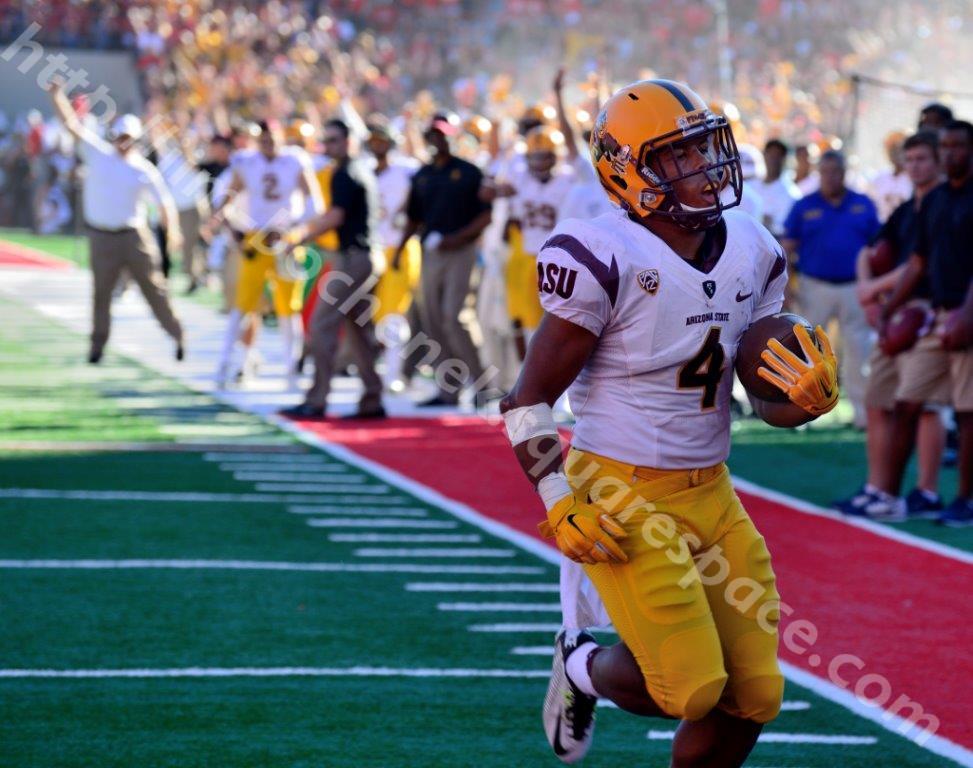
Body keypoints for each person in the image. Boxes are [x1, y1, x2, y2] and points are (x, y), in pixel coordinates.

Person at [500, 80, 839, 767]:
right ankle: (580, 662)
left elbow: (758, 396)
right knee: (688, 687)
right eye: (678, 156)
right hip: (620, 487)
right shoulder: (599, 253)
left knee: (754, 697)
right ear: (630, 172)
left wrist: (802, 399)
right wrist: (558, 498)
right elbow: (526, 398)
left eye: (705, 147)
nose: (704, 168)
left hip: (709, 486)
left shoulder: (752, 246)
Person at [835, 131, 945, 520]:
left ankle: (925, 491)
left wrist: (871, 292)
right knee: (877, 400)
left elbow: (917, 265)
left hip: (923, 311)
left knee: (924, 405)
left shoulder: (942, 205)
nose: (915, 165)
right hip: (894, 311)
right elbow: (871, 249)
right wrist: (869, 289)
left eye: (922, 159)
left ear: (938, 161)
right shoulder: (906, 208)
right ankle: (876, 487)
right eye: (909, 158)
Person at [48, 81, 185, 365]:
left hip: (133, 235)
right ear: (114, 136)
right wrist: (57, 96)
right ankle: (98, 345)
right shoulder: (98, 153)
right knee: (101, 293)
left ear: (135, 140)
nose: (124, 142)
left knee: (154, 289)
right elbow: (71, 124)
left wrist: (171, 230)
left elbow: (164, 202)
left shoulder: (141, 168)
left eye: (129, 138)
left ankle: (177, 333)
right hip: (102, 236)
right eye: (121, 136)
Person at [881, 120, 973, 526]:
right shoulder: (935, 201)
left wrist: (967, 314)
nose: (951, 153)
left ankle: (966, 500)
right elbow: (917, 261)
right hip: (937, 315)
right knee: (907, 400)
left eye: (958, 147)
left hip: (966, 314)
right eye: (946, 146)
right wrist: (890, 309)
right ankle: (890, 495)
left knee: (969, 412)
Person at [281, 119, 385, 420]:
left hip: (354, 257)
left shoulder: (346, 172)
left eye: (335, 139)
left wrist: (300, 235)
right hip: (363, 255)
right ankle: (372, 398)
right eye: (326, 140)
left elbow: (336, 216)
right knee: (358, 329)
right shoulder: (359, 169)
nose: (330, 146)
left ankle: (317, 399)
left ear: (350, 140)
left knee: (321, 325)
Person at [210, 120, 323, 388]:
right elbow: (225, 200)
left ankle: (291, 372)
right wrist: (231, 226)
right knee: (242, 306)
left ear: (282, 138)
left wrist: (295, 230)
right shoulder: (246, 162)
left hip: (285, 241)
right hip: (256, 239)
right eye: (264, 139)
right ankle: (225, 364)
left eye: (273, 138)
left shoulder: (295, 161)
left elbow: (314, 202)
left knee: (289, 308)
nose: (268, 144)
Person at [392, 113, 492, 407]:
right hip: (431, 252)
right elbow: (413, 218)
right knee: (432, 319)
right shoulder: (422, 175)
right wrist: (399, 250)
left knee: (456, 316)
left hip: (460, 251)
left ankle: (481, 384)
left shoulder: (469, 172)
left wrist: (459, 237)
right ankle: (448, 388)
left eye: (443, 136)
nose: (438, 141)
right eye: (433, 136)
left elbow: (486, 214)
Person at [783, 149, 880, 427]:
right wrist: (787, 286)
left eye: (835, 171)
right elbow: (787, 248)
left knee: (858, 351)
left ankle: (863, 415)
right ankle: (802, 413)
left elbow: (879, 248)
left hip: (854, 286)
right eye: (825, 172)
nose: (830, 177)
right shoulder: (804, 205)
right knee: (808, 351)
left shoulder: (863, 204)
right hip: (815, 285)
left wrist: (874, 287)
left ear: (844, 172)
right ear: (819, 173)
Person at [506, 125, 578, 359]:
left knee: (560, 320)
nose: (539, 162)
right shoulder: (521, 179)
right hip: (528, 257)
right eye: (535, 157)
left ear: (555, 156)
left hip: (559, 261)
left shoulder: (569, 180)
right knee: (528, 320)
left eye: (545, 156)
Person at [753, 138, 799, 238]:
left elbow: (785, 230)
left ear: (785, 159)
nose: (773, 159)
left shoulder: (791, 192)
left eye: (778, 155)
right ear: (764, 155)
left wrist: (767, 221)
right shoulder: (751, 185)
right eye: (770, 154)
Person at [868, 131, 912, 223]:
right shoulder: (878, 179)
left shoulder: (916, 178)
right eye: (891, 148)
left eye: (899, 148)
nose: (895, 153)